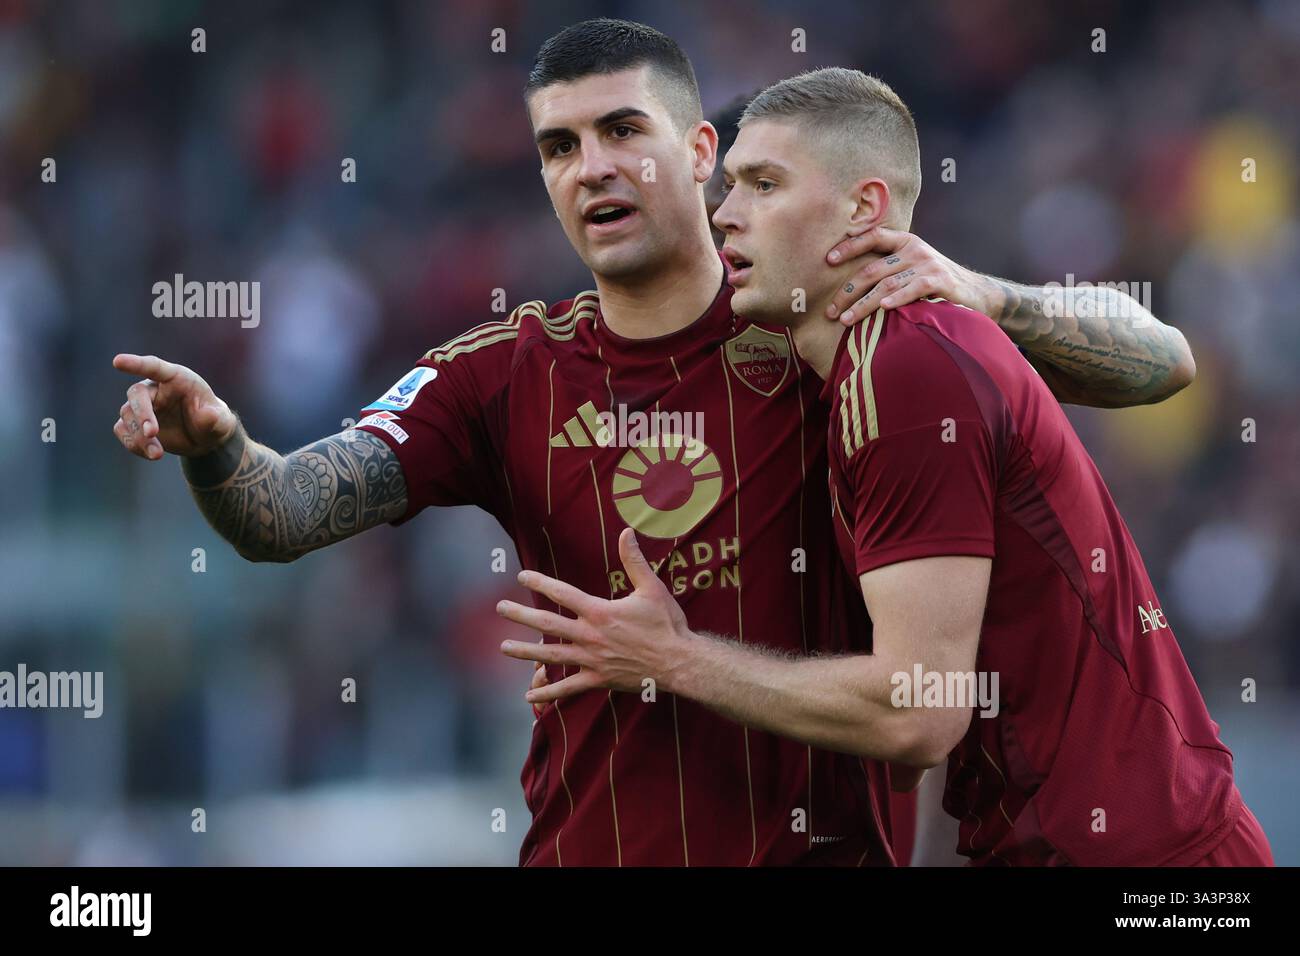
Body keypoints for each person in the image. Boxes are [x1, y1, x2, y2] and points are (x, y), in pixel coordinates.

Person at [113, 20, 1194, 866]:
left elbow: (1161, 360)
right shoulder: (500, 372)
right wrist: (216, 442)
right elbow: (283, 511)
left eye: (622, 131)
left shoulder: (836, 325)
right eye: (558, 146)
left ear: (699, 149)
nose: (591, 168)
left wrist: (983, 292)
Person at [499, 66, 1269, 866]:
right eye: (729, 186)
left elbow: (918, 716)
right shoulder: (866, 368)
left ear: (864, 211)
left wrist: (674, 658)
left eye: (762, 185)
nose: (724, 216)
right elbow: (916, 750)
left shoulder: (905, 367)